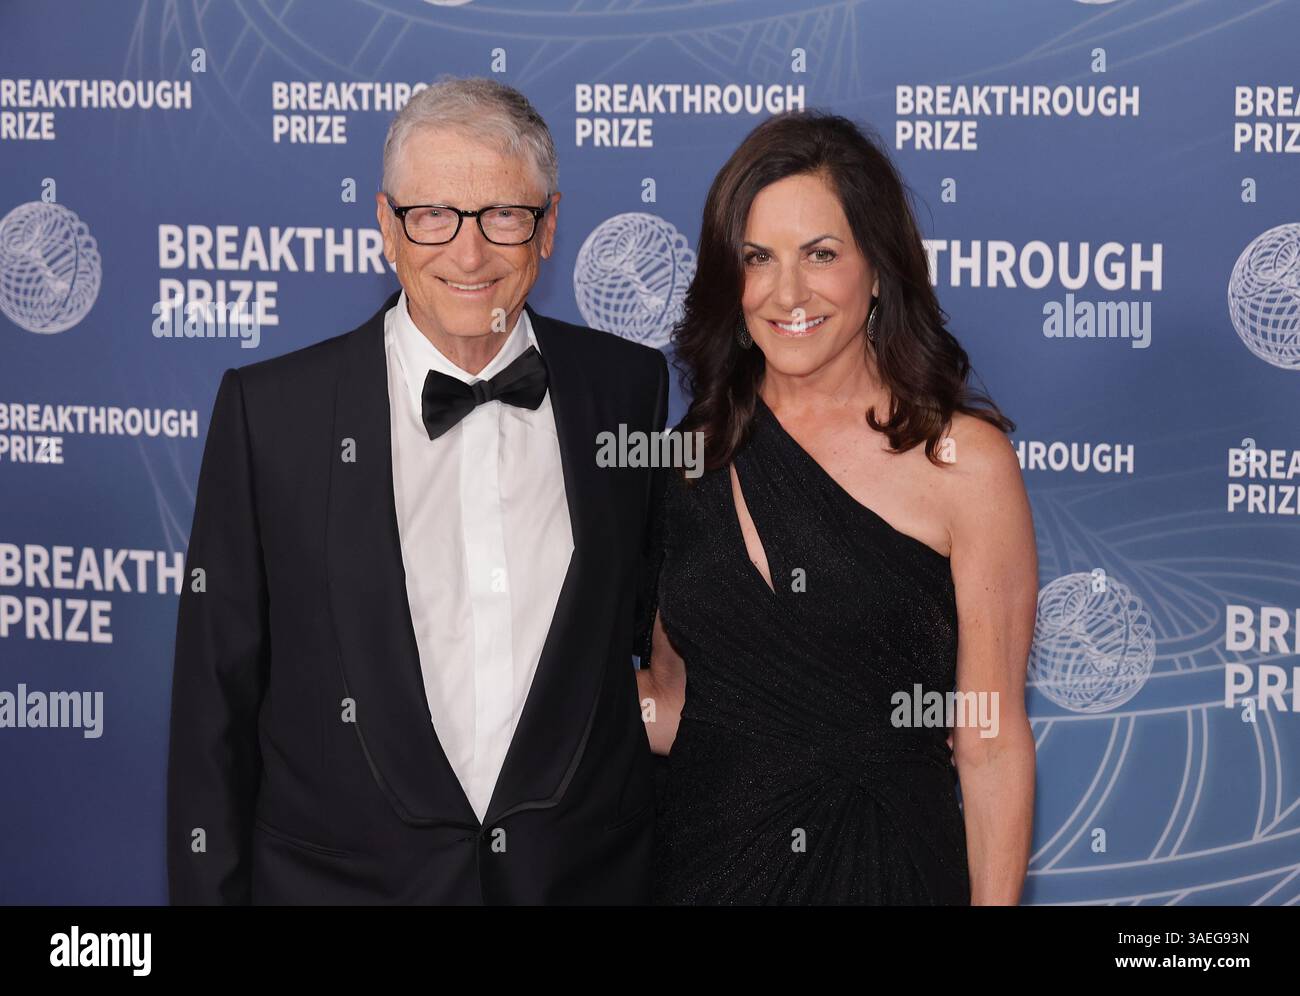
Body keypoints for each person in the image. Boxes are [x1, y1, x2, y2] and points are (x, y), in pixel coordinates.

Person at [167, 77, 668, 904]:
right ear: (386, 228)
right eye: (432, 215)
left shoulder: (628, 391)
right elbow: (212, 717)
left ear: (548, 228)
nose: (467, 254)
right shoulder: (272, 414)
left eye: (503, 215)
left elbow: (653, 646)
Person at [634, 110, 1037, 904]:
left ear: (879, 269)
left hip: (887, 869)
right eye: (758, 258)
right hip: (704, 870)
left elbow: (988, 741)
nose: (788, 293)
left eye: (821, 254)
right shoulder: (688, 460)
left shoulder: (962, 465)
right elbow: (675, 705)